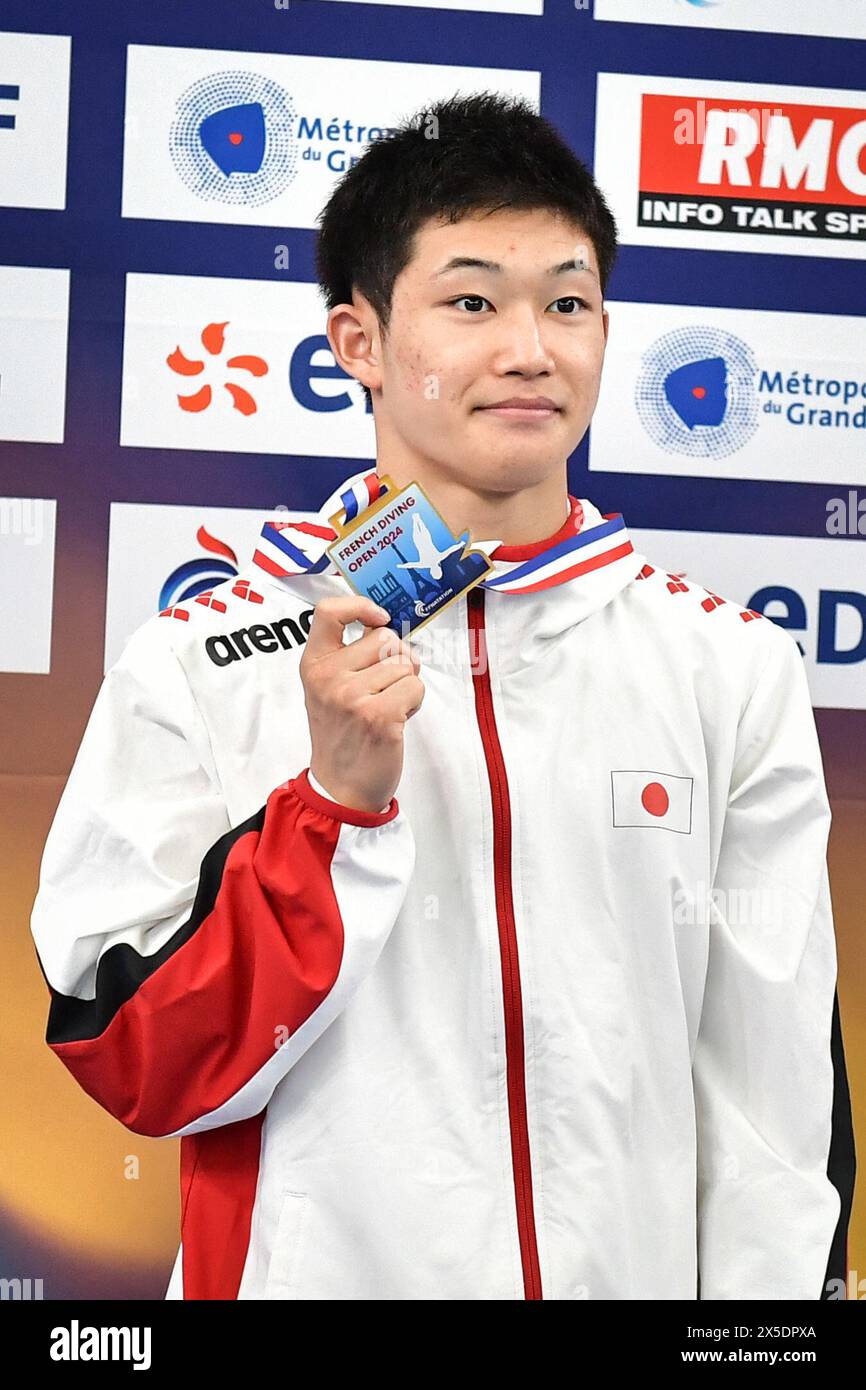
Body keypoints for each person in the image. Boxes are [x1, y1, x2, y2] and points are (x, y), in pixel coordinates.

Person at [29, 91, 855, 1301]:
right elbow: (138, 1060)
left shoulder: (726, 663)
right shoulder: (204, 658)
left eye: (566, 303)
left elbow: (775, 1103)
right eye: (470, 301)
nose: (531, 350)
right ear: (357, 341)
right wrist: (326, 812)